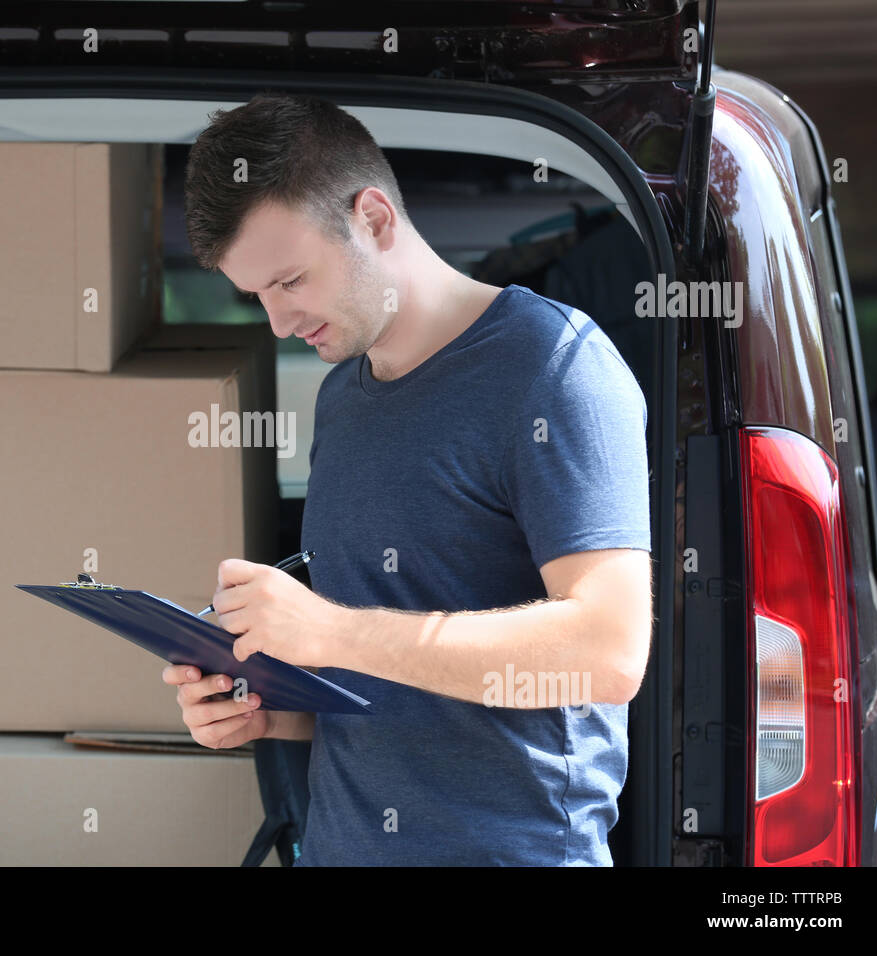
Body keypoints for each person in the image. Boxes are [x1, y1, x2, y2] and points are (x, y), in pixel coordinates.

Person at [163, 91, 652, 866]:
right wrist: (265, 708)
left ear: (375, 219)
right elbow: (384, 683)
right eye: (255, 295)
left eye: (289, 280)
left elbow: (609, 650)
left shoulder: (551, 369)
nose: (277, 324)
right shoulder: (341, 401)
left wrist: (330, 631)